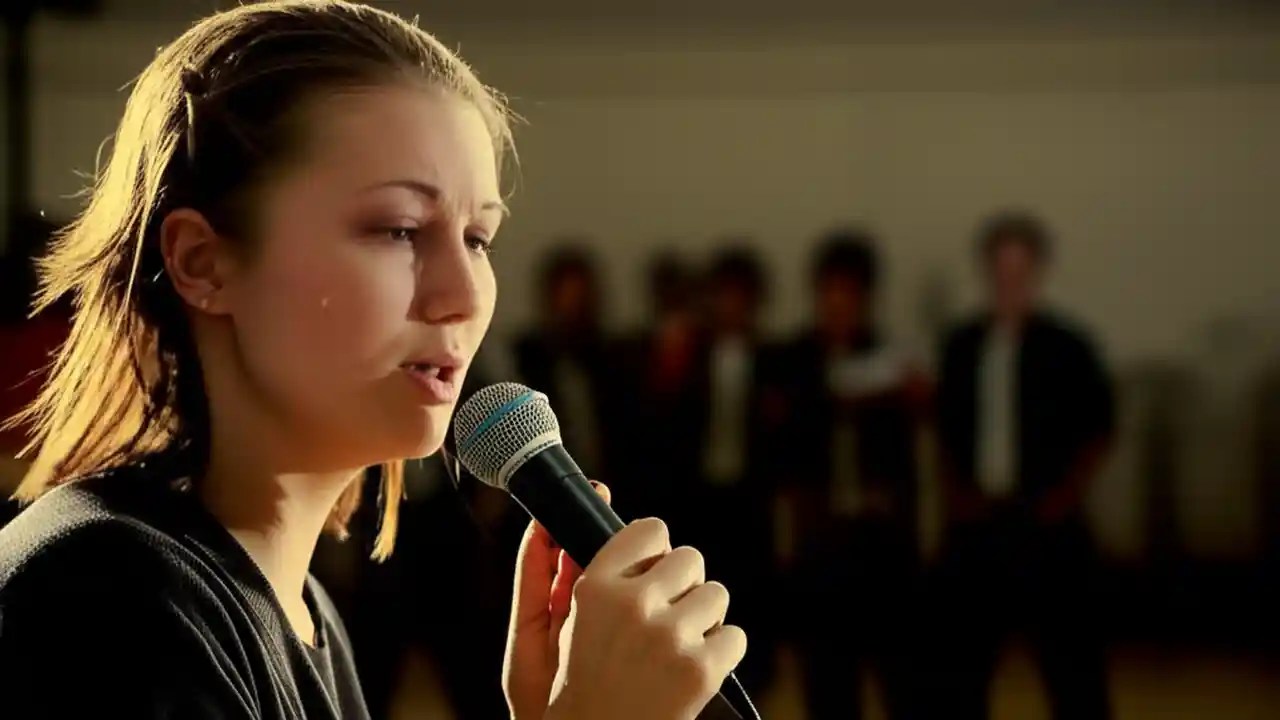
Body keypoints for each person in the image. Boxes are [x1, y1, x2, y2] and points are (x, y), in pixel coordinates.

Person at [0, 3, 747, 719]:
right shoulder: (103, 596)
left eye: (478, 239)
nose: (463, 297)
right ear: (204, 263)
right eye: (397, 229)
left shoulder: (298, 606)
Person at [931, 211, 1115, 720]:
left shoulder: (1069, 346)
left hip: (1048, 524)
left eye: (1020, 271)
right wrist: (957, 495)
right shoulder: (962, 345)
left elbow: (1099, 429)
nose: (1009, 282)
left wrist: (1066, 495)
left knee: (1072, 669)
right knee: (960, 672)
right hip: (978, 525)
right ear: (988, 273)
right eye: (1000, 271)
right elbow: (944, 429)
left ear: (1036, 273)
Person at [780, 231, 926, 720]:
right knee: (827, 683)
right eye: (830, 294)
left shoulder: (890, 358)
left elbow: (907, 454)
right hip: (821, 542)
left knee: (901, 678)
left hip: (882, 544)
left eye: (850, 295)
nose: (839, 306)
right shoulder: (795, 359)